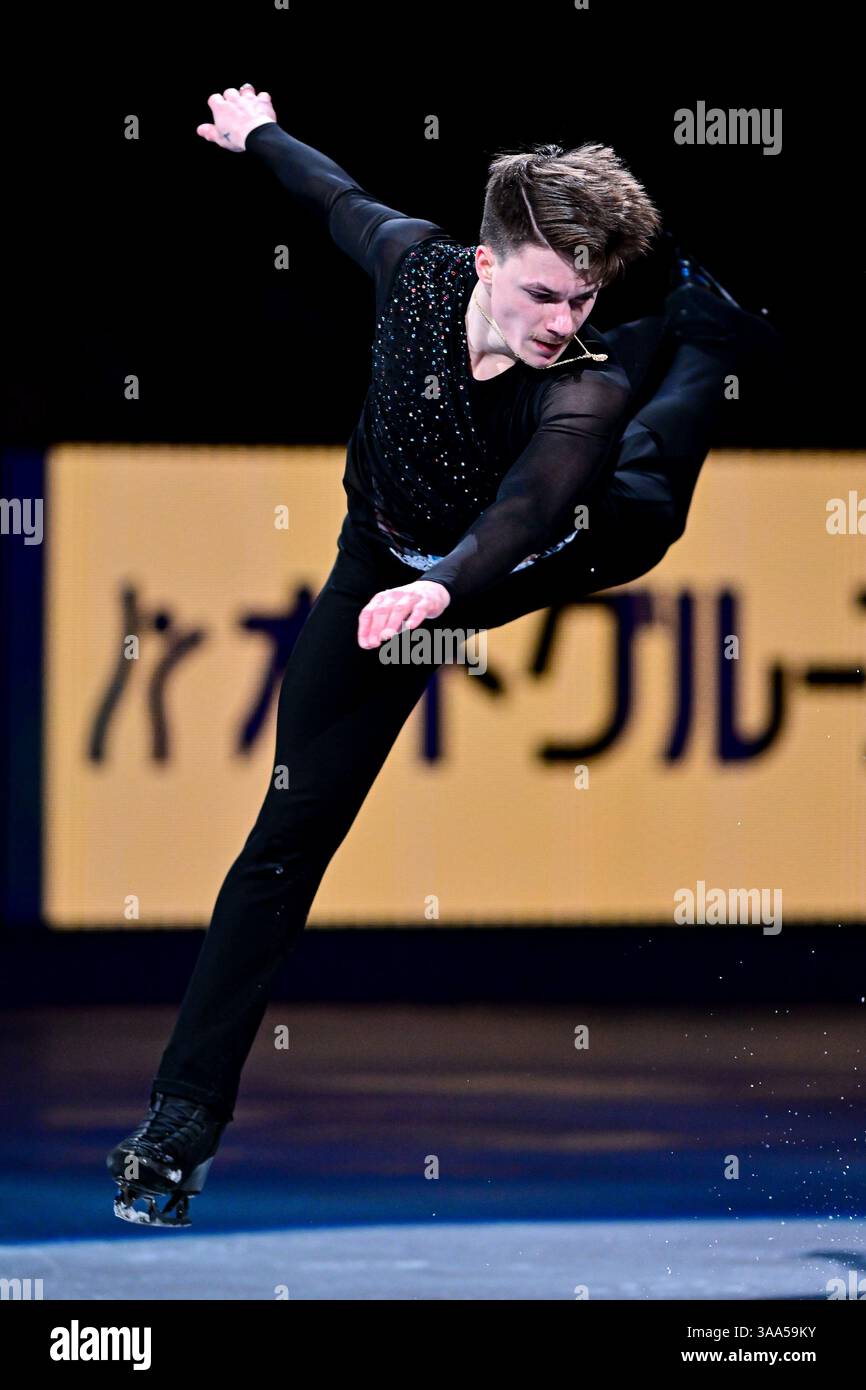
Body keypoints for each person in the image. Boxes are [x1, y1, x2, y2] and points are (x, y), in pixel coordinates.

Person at [106, 84, 780, 1225]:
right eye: (540, 292)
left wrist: (440, 586)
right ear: (480, 261)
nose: (562, 318)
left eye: (583, 297)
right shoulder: (416, 269)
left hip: (537, 550)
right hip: (381, 572)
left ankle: (701, 335)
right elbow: (336, 198)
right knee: (280, 845)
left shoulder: (580, 385)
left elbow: (523, 512)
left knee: (643, 492)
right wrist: (257, 131)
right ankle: (175, 1132)